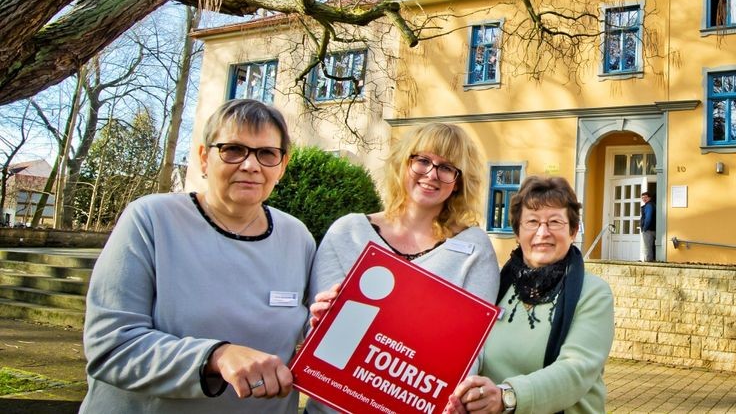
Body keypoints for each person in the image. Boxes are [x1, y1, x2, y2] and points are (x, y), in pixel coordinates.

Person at [82, 99, 315, 413]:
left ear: (282, 166)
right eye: (233, 149)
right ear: (205, 158)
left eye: (267, 154)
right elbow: (111, 346)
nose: (250, 165)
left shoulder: (297, 237)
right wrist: (216, 356)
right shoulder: (151, 219)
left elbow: (313, 334)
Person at [307, 122, 500, 414]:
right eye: (422, 160)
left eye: (447, 168)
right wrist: (322, 321)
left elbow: (469, 353)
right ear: (403, 163)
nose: (431, 174)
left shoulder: (474, 248)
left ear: (459, 181)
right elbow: (324, 342)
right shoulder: (348, 232)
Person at [446, 176, 614, 414]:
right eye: (532, 221)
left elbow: (575, 371)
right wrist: (466, 396)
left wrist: (506, 397)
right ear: (517, 231)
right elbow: (469, 350)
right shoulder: (494, 285)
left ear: (573, 231)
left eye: (555, 222)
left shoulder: (593, 293)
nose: (542, 232)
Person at [639, 191, 656, 262]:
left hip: (648, 230)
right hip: (653, 229)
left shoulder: (649, 205)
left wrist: (644, 228)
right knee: (651, 247)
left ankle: (648, 262)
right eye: (642, 198)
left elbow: (648, 218)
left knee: (647, 247)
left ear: (650, 198)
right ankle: (650, 261)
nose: (644, 199)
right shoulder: (652, 204)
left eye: (646, 197)